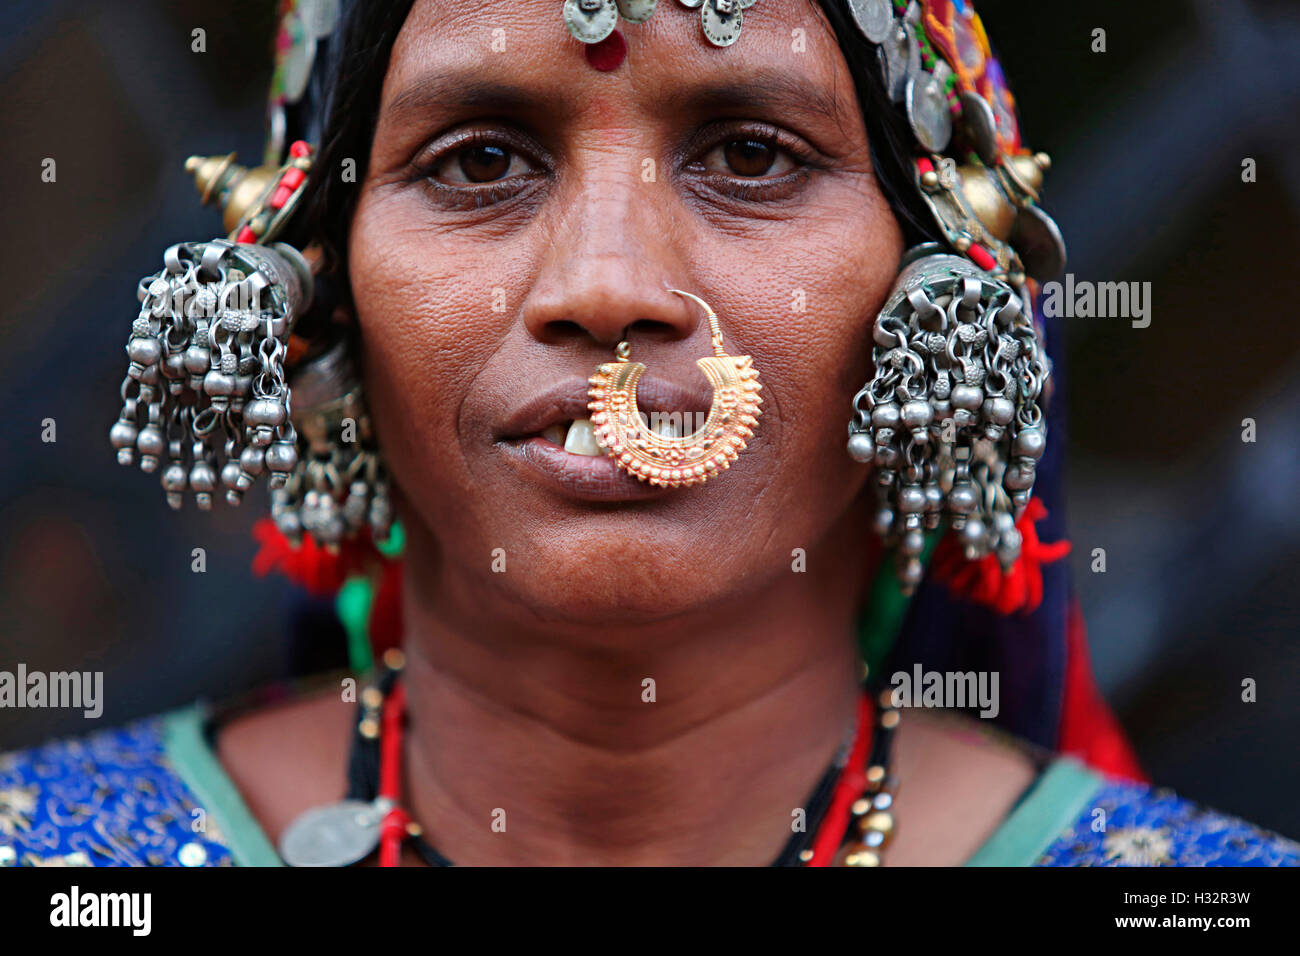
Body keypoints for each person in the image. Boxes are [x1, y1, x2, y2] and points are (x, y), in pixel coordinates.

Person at [2, 0, 1296, 868]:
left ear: (940, 292)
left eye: (749, 153)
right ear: (318, 294)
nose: (609, 284)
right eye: (477, 161)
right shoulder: (57, 860)